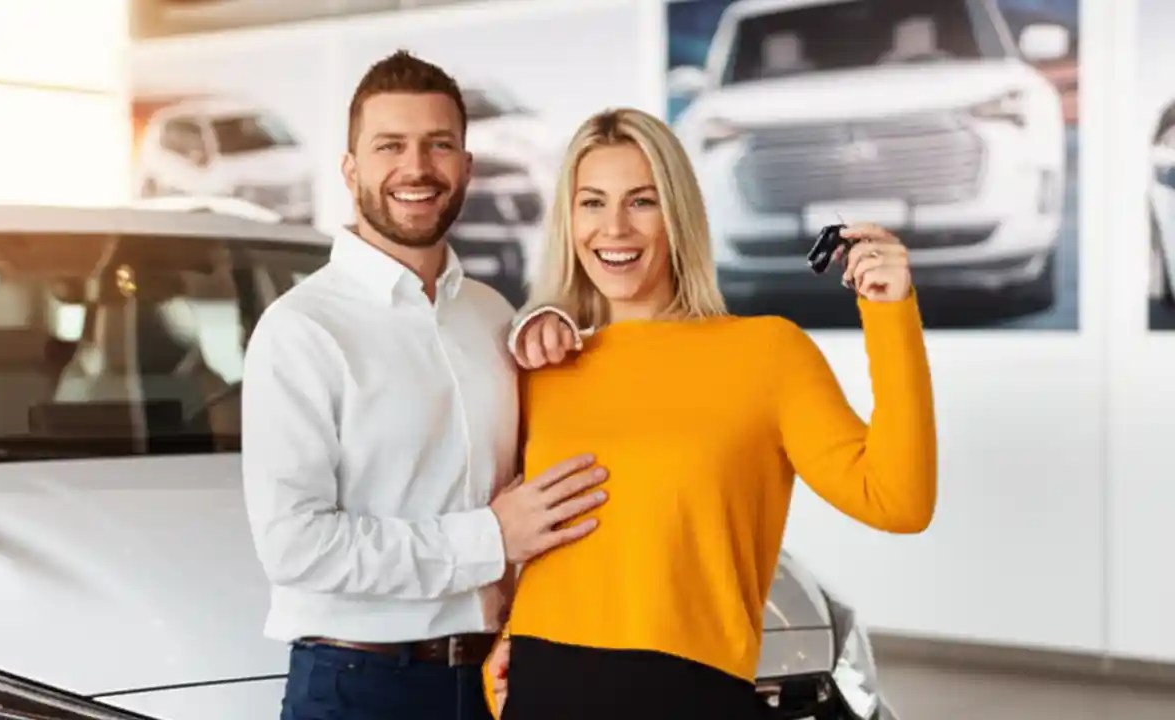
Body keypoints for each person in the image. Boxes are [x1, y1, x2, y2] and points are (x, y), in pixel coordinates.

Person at [483, 107, 938, 718]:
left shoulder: (766, 353)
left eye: (641, 202)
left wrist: (891, 317)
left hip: (692, 693)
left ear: (679, 215)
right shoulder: (543, 362)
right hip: (545, 683)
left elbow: (899, 500)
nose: (613, 227)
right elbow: (529, 533)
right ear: (568, 219)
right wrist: (508, 633)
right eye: (592, 202)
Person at [240, 50, 609, 720]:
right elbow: (295, 546)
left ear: (466, 166)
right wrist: (489, 539)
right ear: (351, 169)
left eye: (439, 145)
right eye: (391, 146)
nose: (417, 168)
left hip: (493, 677)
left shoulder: (495, 316)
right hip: (361, 685)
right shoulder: (300, 330)